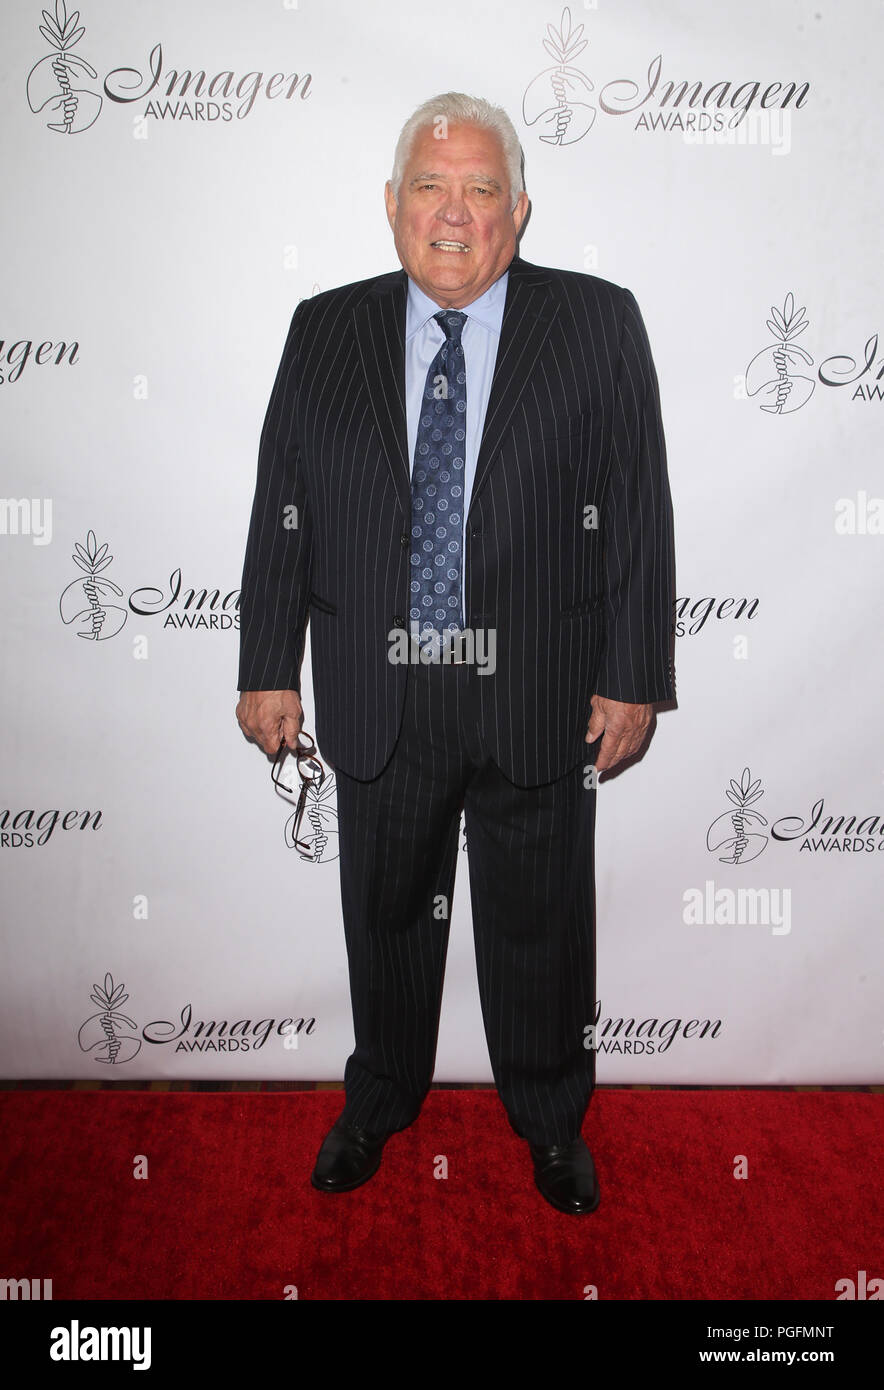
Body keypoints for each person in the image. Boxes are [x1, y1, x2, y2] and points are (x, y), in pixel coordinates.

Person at [236, 92, 675, 1215]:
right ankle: (377, 1098)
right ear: (390, 206)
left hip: (534, 693)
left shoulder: (595, 322)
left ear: (518, 210)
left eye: (481, 189)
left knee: (540, 926)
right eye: (430, 187)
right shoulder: (321, 328)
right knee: (384, 914)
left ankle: (547, 1118)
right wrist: (266, 662)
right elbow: (282, 502)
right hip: (379, 690)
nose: (453, 212)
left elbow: (633, 507)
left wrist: (632, 674)